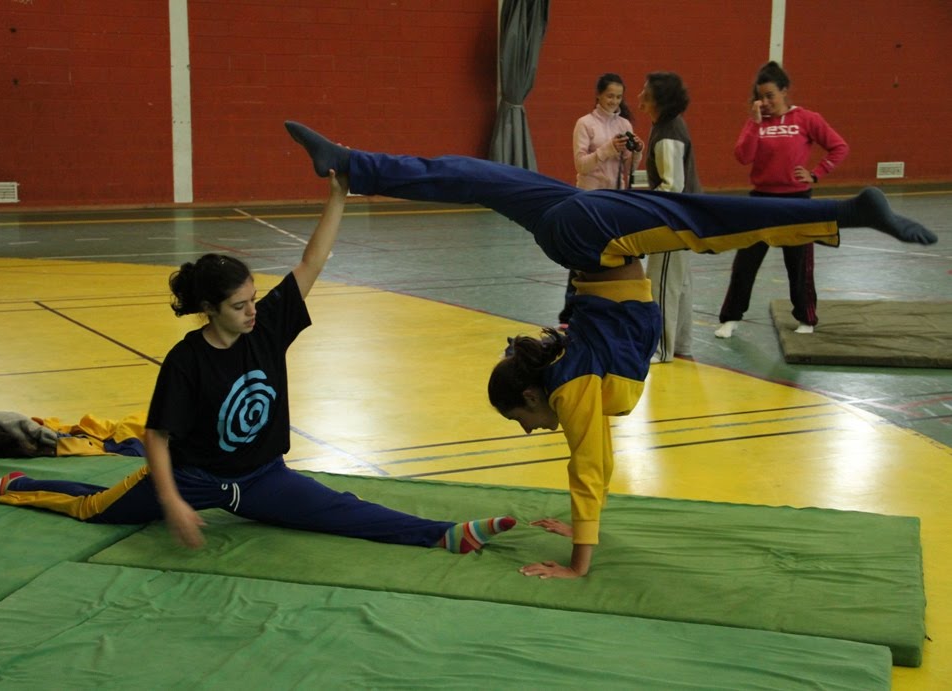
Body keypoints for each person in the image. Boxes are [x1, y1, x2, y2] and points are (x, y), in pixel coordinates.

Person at [283, 120, 935, 580]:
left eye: (522, 419)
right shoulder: (575, 375)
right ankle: (350, 161)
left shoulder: (569, 389)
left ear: (532, 394)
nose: (534, 429)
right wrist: (575, 527)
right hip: (587, 241)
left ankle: (849, 210)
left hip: (588, 240)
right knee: (479, 178)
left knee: (703, 222)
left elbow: (586, 466)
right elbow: (593, 460)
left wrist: (577, 562)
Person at [0, 171, 517, 556]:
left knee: (341, 511)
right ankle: (15, 482)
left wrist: (339, 195)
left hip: (261, 478)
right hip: (194, 477)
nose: (254, 310)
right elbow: (156, 439)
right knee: (94, 508)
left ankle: (444, 533)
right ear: (209, 309)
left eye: (254, 298)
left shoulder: (266, 327)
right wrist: (174, 502)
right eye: (239, 305)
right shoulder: (186, 363)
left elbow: (311, 260)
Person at [715, 61, 850, 338]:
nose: (765, 102)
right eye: (760, 97)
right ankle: (730, 318)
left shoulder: (807, 119)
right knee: (745, 263)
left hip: (797, 202)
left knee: (799, 264)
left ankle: (806, 317)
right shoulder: (756, 122)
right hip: (760, 202)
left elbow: (839, 147)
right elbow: (743, 157)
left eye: (770, 96)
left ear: (784, 92)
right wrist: (754, 124)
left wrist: (816, 174)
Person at [560, 73, 644, 326]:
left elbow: (631, 165)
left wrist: (636, 151)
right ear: (598, 94)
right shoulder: (584, 124)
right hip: (588, 198)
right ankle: (568, 313)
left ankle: (607, 308)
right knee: (581, 257)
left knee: (613, 256)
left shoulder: (625, 125)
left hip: (616, 199)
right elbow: (581, 165)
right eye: (610, 96)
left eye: (618, 97)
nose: (614, 101)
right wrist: (607, 149)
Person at [639, 72, 699, 363]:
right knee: (680, 284)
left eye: (646, 94)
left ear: (659, 101)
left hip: (673, 222)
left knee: (662, 284)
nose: (640, 98)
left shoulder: (668, 134)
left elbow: (671, 186)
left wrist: (645, 210)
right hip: (687, 219)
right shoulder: (668, 126)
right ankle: (682, 344)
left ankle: (661, 349)